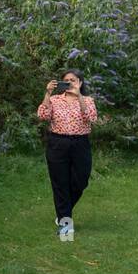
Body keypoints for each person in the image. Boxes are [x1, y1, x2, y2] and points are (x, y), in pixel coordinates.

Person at [38, 70, 99, 238]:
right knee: (60, 184)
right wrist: (48, 92)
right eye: (66, 80)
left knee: (81, 181)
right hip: (58, 143)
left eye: (73, 80)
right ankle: (66, 227)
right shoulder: (54, 100)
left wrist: (79, 96)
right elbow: (43, 115)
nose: (70, 82)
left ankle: (62, 213)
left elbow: (91, 118)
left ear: (80, 82)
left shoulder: (87, 100)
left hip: (80, 144)